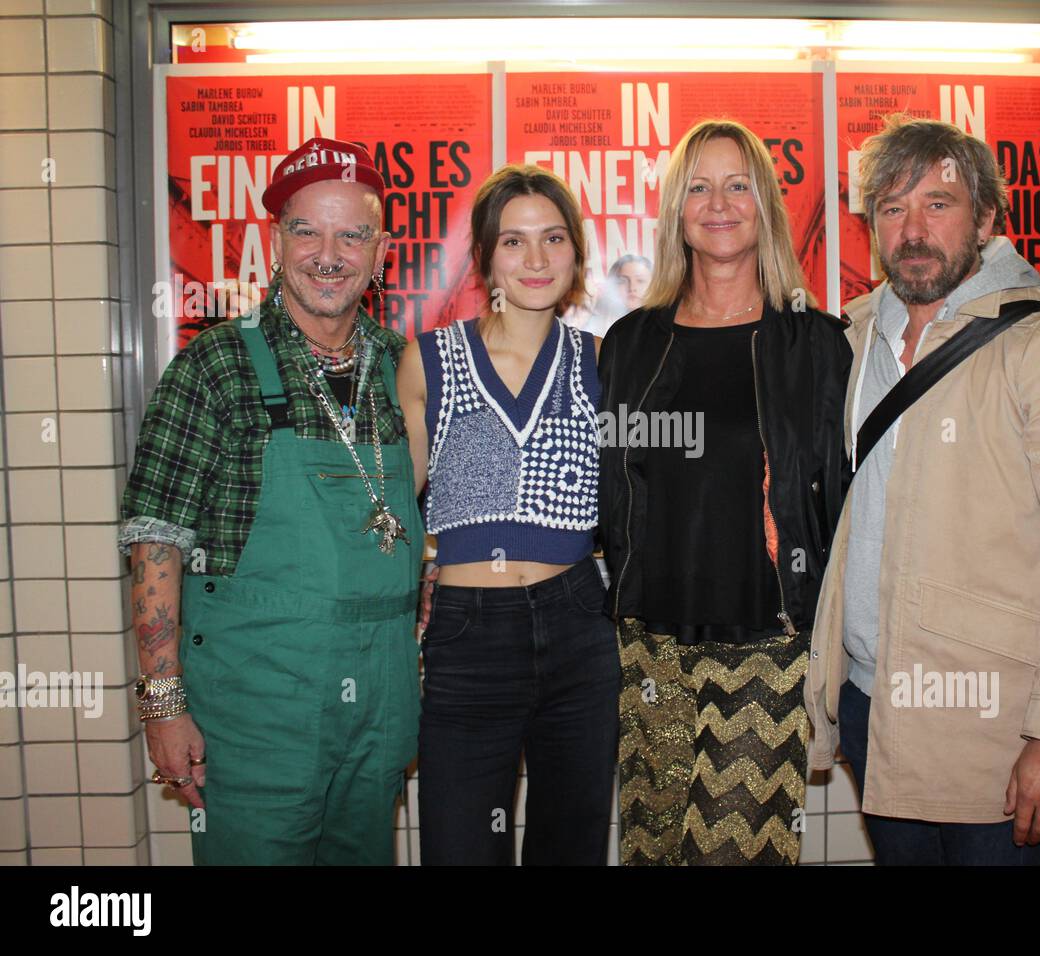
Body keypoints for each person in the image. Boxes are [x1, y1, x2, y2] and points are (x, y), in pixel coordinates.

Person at [804, 115, 1040, 865]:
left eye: (938, 204)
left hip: (991, 726)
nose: (912, 230)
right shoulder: (854, 343)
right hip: (870, 704)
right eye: (892, 209)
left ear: (986, 217)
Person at [119, 138, 420, 865]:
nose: (329, 254)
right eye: (306, 230)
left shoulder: (403, 369)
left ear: (381, 251)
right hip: (259, 710)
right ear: (272, 241)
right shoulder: (215, 364)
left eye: (352, 234)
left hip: (378, 703)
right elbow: (154, 542)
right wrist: (163, 706)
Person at [598, 119, 852, 865]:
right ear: (676, 209)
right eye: (698, 187)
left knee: (737, 854)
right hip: (650, 649)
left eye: (738, 185)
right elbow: (612, 494)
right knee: (653, 852)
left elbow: (838, 501)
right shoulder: (632, 343)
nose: (719, 203)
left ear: (766, 206)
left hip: (768, 649)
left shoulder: (814, 345)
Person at [399, 164, 619, 866]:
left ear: (576, 254)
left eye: (553, 239)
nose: (535, 259)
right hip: (468, 631)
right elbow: (398, 513)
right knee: (462, 846)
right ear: (486, 256)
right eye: (514, 242)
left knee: (571, 846)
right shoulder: (429, 361)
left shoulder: (603, 364)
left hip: (579, 623)